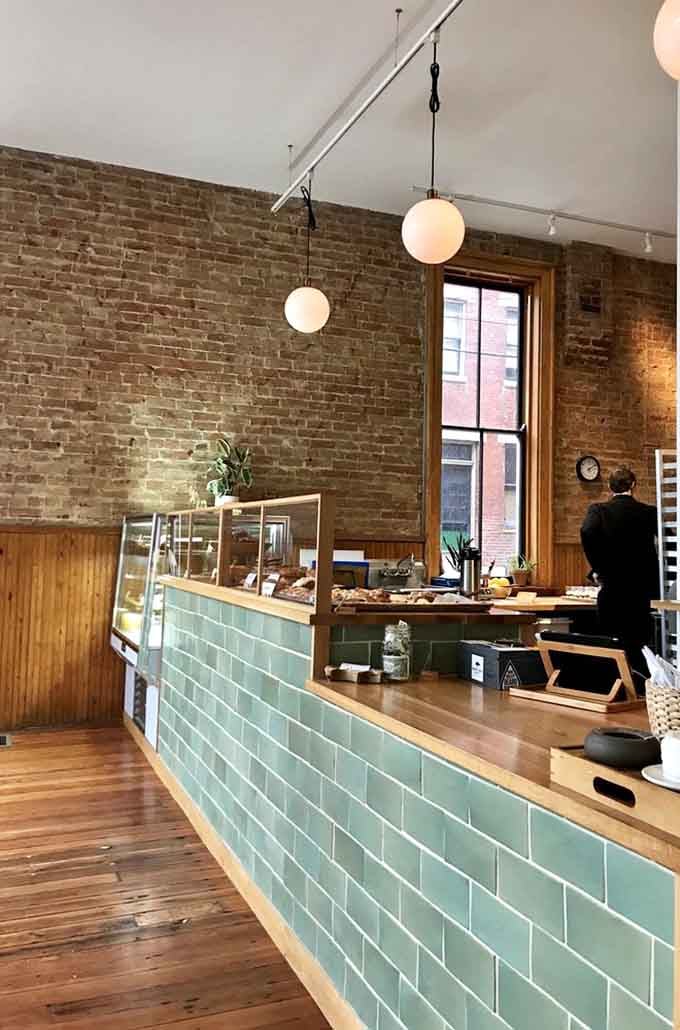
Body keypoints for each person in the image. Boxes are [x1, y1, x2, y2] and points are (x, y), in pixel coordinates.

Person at [580, 466, 659, 686]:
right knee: (640, 643)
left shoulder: (598, 511)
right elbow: (669, 539)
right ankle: (642, 687)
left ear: (610, 487)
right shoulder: (649, 512)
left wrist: (597, 568)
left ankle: (615, 686)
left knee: (612, 641)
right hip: (644, 591)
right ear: (633, 485)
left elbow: (587, 531)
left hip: (612, 588)